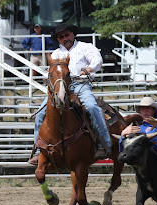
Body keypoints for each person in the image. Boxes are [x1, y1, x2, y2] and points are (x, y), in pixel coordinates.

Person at [28, 23, 111, 165]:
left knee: (91, 107)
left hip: (81, 85)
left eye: (66, 35)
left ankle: (104, 143)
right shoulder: (56, 54)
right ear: (58, 40)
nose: (64, 38)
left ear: (72, 34)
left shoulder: (85, 47)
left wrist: (89, 69)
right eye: (61, 37)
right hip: (61, 88)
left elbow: (97, 59)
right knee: (41, 113)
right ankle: (39, 149)